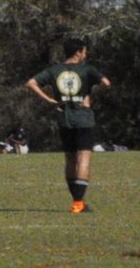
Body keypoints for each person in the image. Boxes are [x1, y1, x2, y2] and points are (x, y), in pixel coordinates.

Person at [27, 40, 113, 214]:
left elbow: (31, 83)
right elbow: (106, 83)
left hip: (64, 118)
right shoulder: (87, 69)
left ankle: (77, 202)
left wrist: (50, 100)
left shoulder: (54, 70)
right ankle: (78, 203)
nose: (85, 54)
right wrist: (90, 96)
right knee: (84, 158)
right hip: (83, 118)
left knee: (70, 159)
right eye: (84, 51)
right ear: (78, 52)